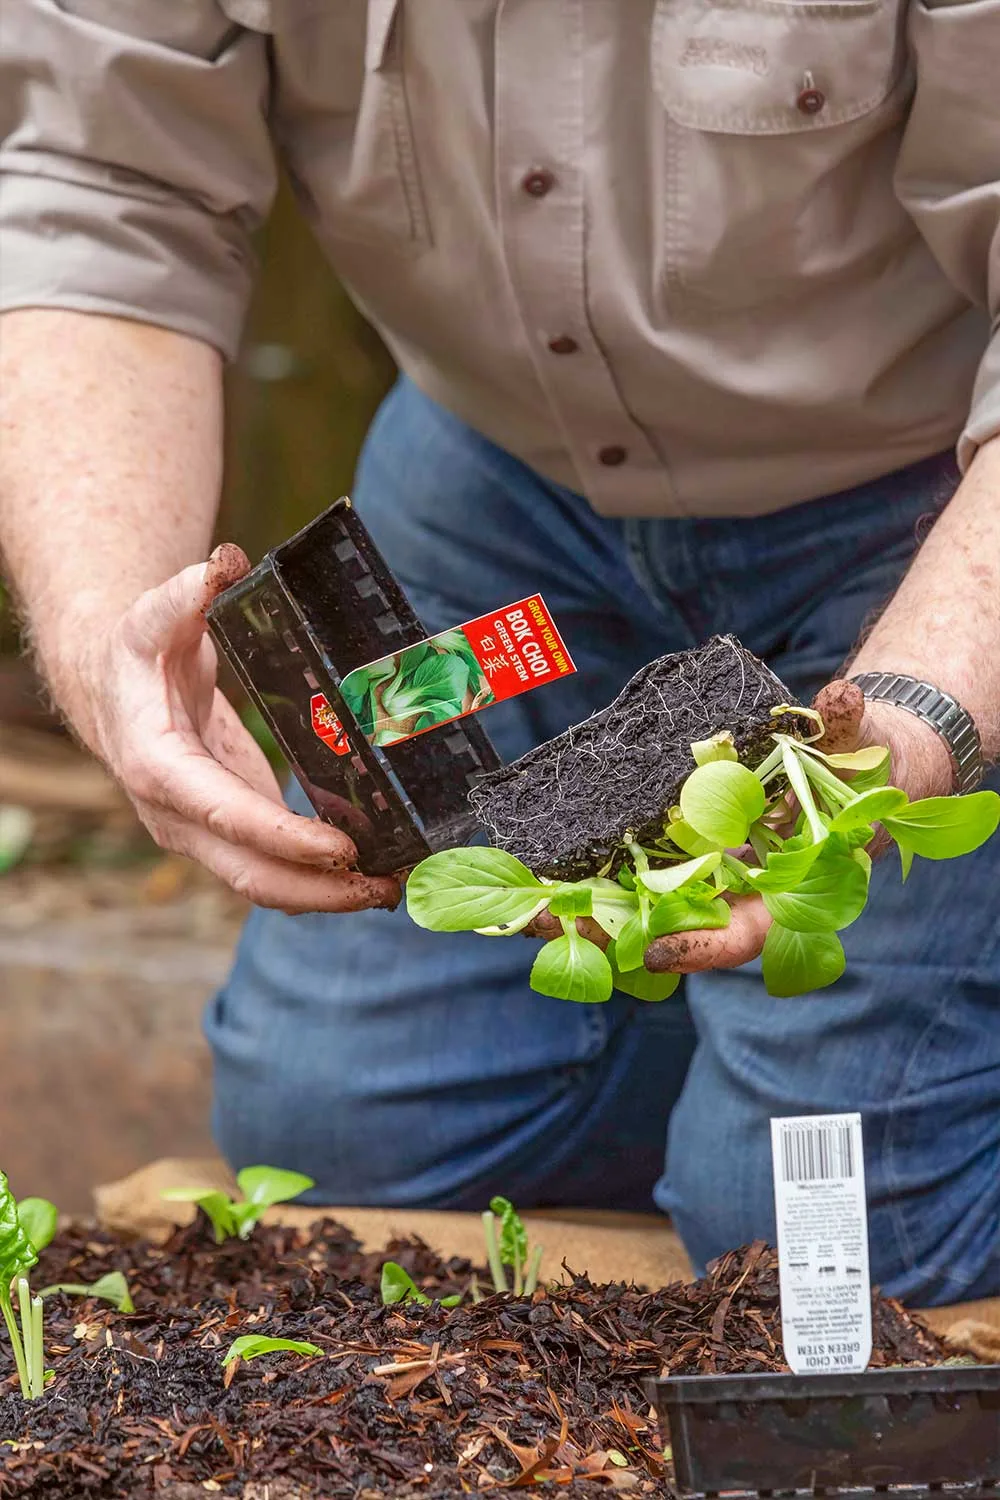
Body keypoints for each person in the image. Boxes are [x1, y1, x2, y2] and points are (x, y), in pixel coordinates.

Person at [2, 2, 998, 1307]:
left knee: (823, 1240)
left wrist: (915, 728)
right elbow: (99, 177)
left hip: (928, 491)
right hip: (502, 467)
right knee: (350, 1144)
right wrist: (106, 634)